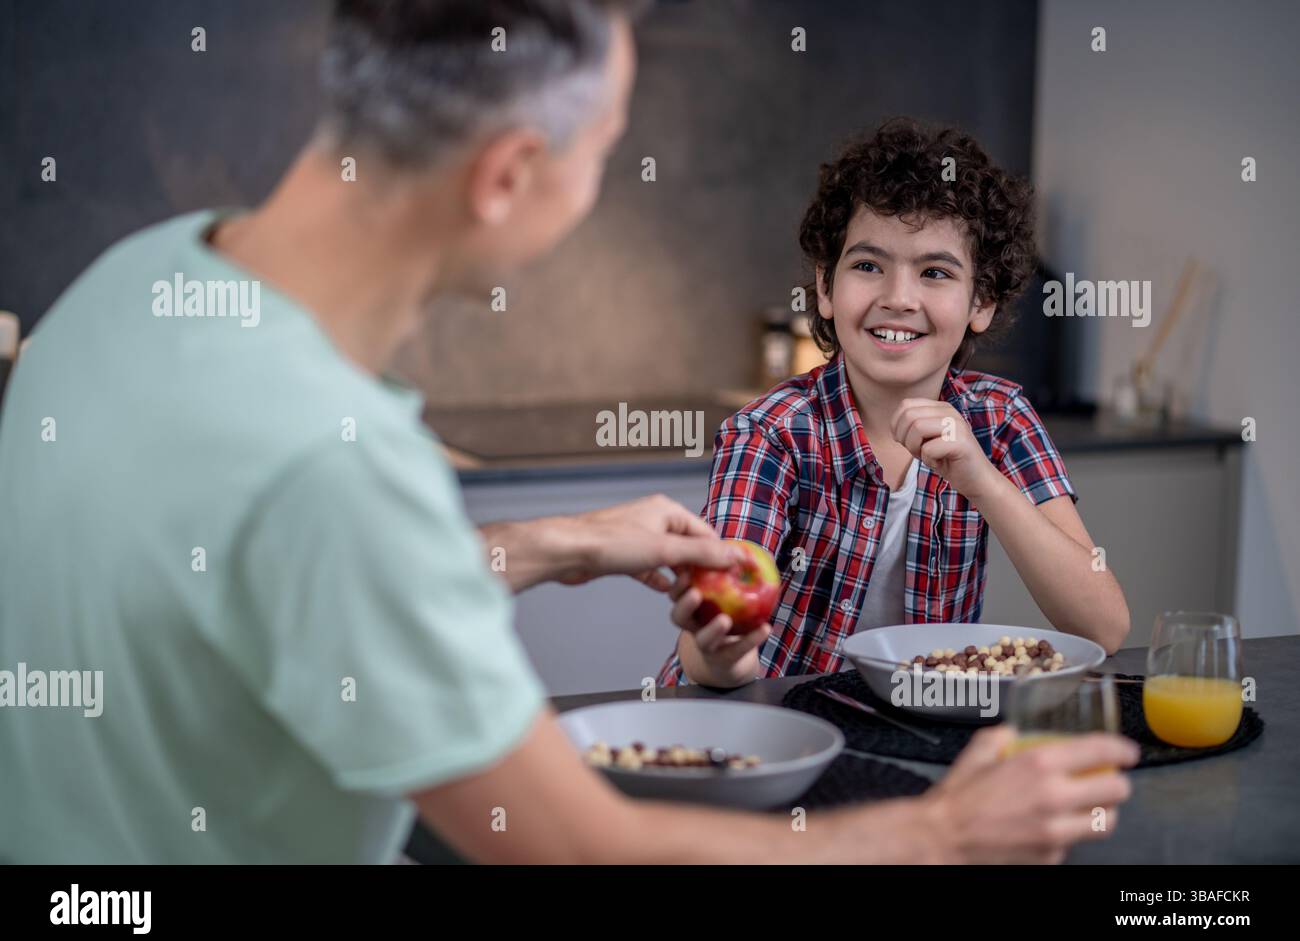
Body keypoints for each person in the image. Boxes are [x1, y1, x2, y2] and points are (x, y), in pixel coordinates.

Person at [0, 1, 1136, 864]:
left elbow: (276, 580)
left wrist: (562, 544)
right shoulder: (332, 463)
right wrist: (934, 833)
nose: (604, 182)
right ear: (508, 175)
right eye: (603, 146)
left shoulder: (134, 282)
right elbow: (580, 846)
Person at [660, 119, 1131, 689]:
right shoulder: (771, 433)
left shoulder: (999, 418)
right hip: (760, 721)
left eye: (935, 272)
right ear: (827, 289)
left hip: (909, 731)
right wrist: (726, 651)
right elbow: (708, 648)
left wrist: (982, 481)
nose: (898, 298)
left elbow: (1103, 626)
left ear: (981, 302)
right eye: (867, 266)